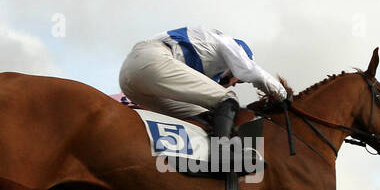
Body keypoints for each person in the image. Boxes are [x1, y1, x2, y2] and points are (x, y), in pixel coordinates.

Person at [118, 26, 288, 145]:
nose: (235, 84)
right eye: (239, 80)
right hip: (151, 60)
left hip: (131, 82)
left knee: (206, 116)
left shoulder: (205, 63)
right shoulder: (230, 44)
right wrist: (282, 94)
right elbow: (250, 71)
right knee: (228, 99)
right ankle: (223, 155)